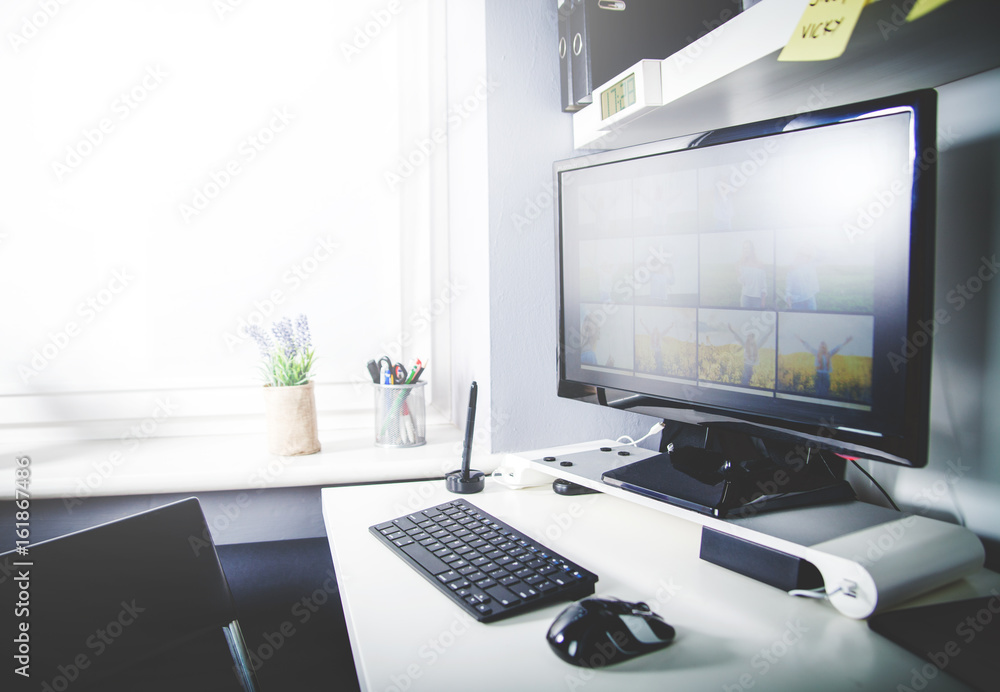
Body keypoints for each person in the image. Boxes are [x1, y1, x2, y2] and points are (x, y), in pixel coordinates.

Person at [728, 322, 774, 386]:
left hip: (755, 367)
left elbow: (763, 339)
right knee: (745, 382)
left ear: (753, 338)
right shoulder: (745, 345)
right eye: (749, 337)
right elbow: (738, 338)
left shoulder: (757, 345)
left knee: (755, 382)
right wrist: (732, 330)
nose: (750, 338)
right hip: (747, 366)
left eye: (752, 337)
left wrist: (770, 331)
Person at [784, 246, 820, 310]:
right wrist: (789, 299)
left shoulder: (811, 268)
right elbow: (789, 286)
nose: (803, 257)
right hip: (796, 302)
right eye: (801, 255)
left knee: (811, 319)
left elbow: (813, 285)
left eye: (806, 256)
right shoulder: (792, 269)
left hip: (809, 300)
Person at [737, 240, 768, 308]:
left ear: (752, 249)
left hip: (757, 299)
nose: (746, 250)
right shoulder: (742, 264)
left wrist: (763, 300)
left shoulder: (760, 264)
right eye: (744, 248)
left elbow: (763, 285)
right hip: (745, 297)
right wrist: (738, 272)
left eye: (748, 248)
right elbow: (743, 282)